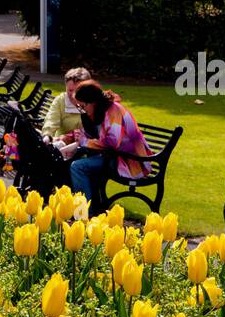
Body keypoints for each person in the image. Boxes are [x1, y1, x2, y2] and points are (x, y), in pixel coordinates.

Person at [58, 82, 153, 215]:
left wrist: (85, 142)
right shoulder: (106, 110)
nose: (82, 109)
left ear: (93, 102)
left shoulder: (113, 111)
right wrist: (81, 139)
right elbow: (105, 138)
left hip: (130, 162)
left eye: (83, 105)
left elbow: (112, 142)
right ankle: (91, 206)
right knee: (75, 155)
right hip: (115, 156)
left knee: (77, 167)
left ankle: (83, 214)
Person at [41, 67, 93, 141]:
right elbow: (51, 119)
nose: (73, 95)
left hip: (90, 144)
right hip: (62, 144)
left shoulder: (94, 102)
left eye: (78, 90)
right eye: (70, 90)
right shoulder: (60, 100)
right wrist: (47, 135)